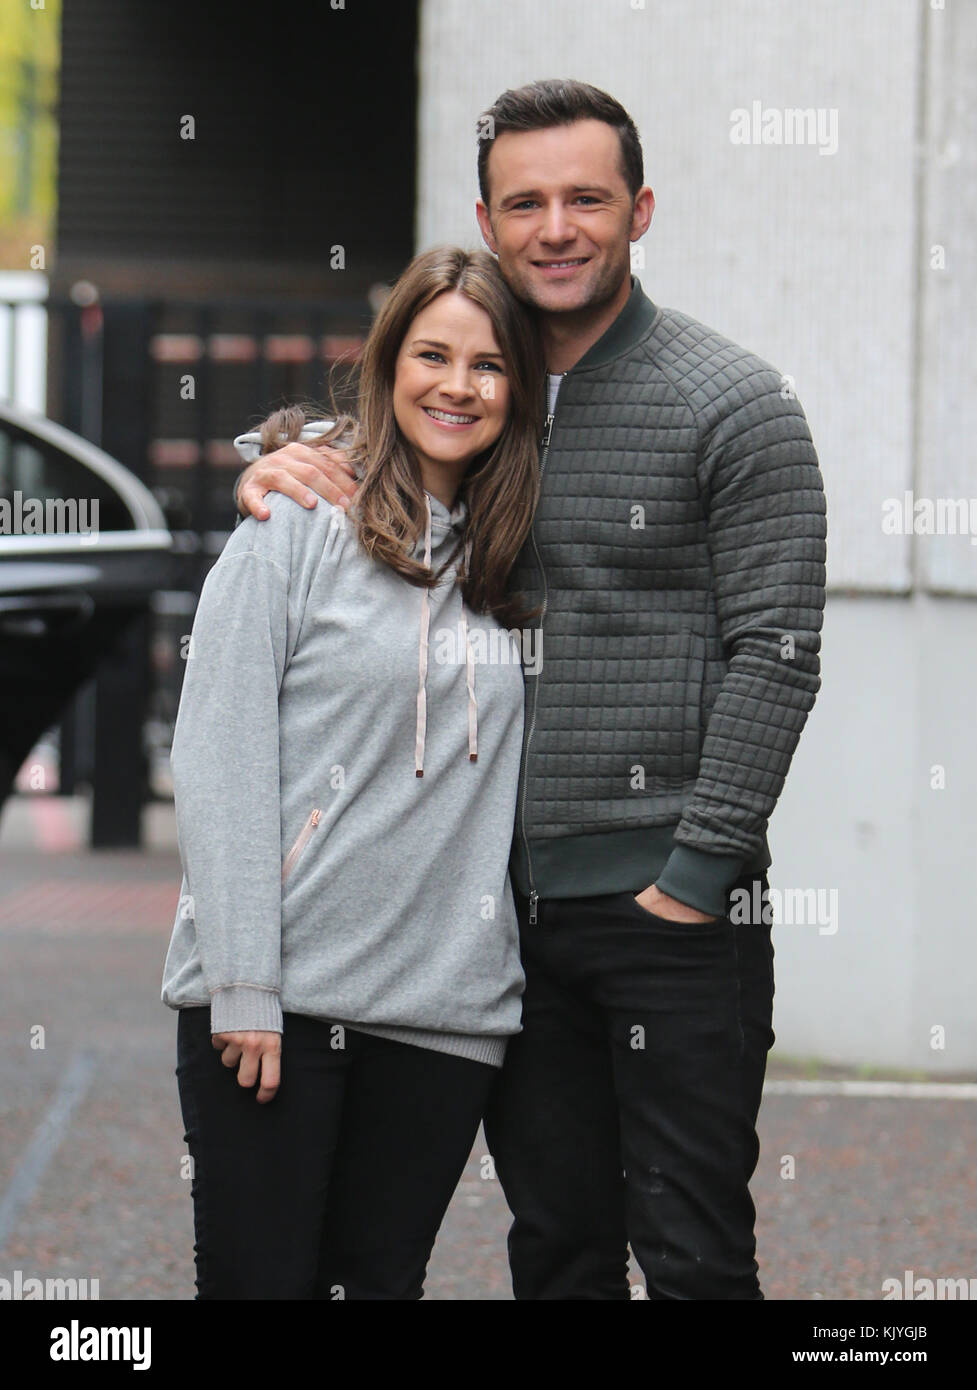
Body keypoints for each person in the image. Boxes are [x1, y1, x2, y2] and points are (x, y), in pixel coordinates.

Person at [233, 79, 828, 1300]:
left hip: (672, 917)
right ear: (487, 218)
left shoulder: (734, 405)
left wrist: (693, 878)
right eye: (526, 202)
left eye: (584, 199)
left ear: (639, 209)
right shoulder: (487, 402)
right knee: (555, 1251)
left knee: (693, 1250)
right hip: (505, 923)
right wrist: (274, 449)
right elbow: (393, 427)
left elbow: (775, 649)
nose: (555, 227)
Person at [160, 245, 544, 1300]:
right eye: (431, 354)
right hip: (274, 1002)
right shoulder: (295, 519)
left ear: (516, 388)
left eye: (487, 365)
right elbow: (218, 745)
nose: (456, 386)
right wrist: (243, 978)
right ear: (388, 363)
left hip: (441, 1016)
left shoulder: (515, 549)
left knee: (378, 1287)